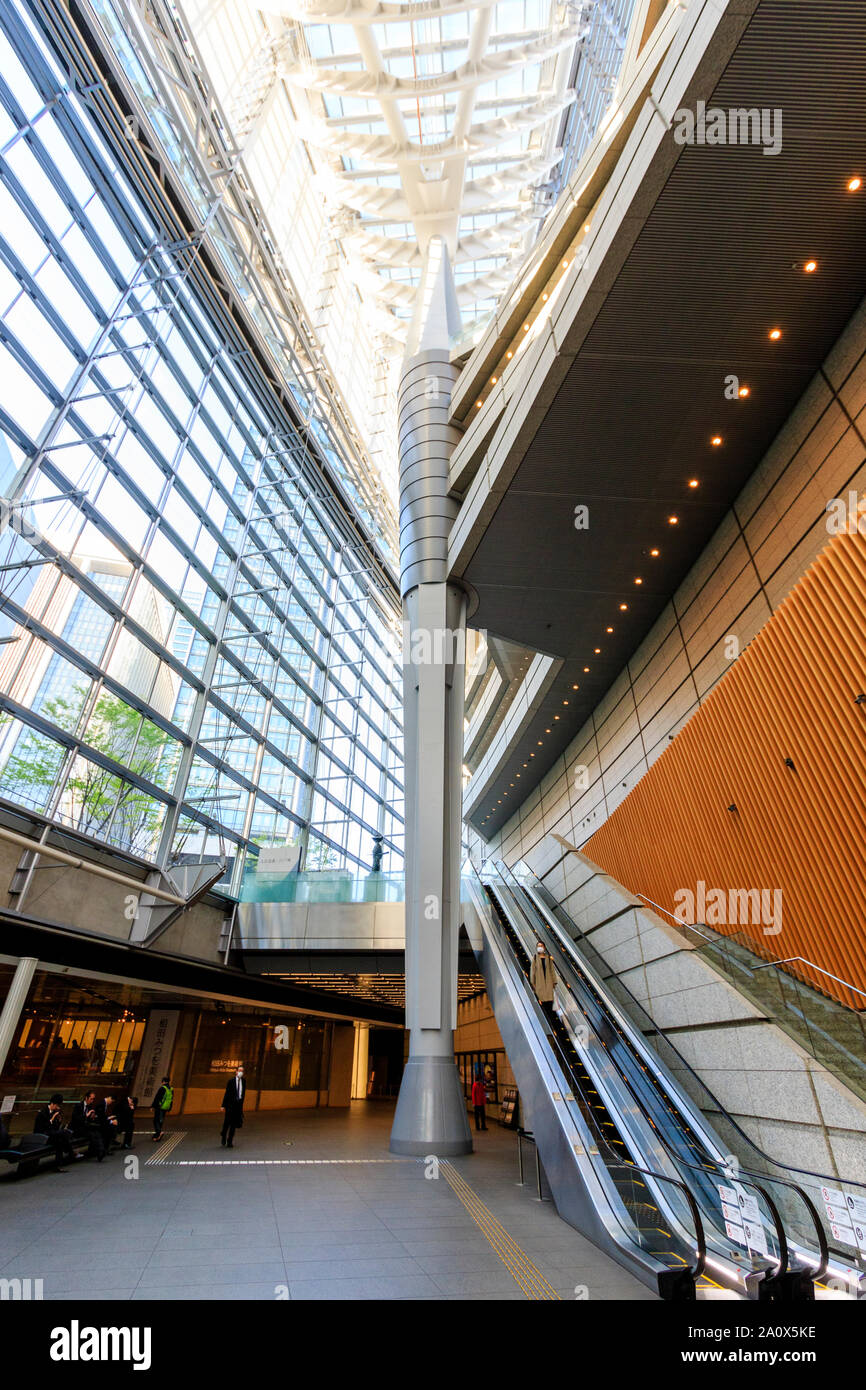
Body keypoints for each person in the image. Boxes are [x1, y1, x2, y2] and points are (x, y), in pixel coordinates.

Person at [33, 1093, 75, 1170]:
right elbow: (41, 1129)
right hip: (42, 1136)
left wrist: (58, 1121)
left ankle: (58, 1165)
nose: (57, 1108)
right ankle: (71, 1153)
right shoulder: (42, 1113)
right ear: (52, 1103)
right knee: (63, 1134)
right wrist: (51, 1119)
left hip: (52, 1135)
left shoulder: (55, 1112)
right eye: (56, 1106)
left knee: (60, 1140)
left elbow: (55, 1128)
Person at [70, 1091, 106, 1160]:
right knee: (92, 1134)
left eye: (93, 1099)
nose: (92, 1101)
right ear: (86, 1098)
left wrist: (92, 1117)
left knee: (97, 1132)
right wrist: (86, 1115)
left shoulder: (90, 1106)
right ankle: (99, 1151)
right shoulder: (78, 1106)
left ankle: (101, 1151)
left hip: (86, 1127)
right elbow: (75, 1119)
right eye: (91, 1099)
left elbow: (89, 1120)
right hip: (77, 1128)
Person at [530, 940, 558, 1027]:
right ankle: (548, 1024)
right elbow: (532, 972)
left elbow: (552, 971)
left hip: (549, 985)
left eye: (541, 945)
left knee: (550, 1004)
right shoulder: (535, 958)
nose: (540, 947)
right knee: (543, 1005)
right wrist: (533, 984)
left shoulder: (548, 958)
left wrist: (554, 982)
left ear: (544, 947)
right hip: (539, 985)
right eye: (538, 945)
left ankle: (553, 1024)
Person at [220, 1065, 245, 1148]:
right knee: (227, 1122)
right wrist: (223, 1105)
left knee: (233, 1124)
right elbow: (226, 1094)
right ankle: (223, 1135)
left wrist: (241, 1107)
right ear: (236, 1071)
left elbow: (242, 1094)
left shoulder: (244, 1081)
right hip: (230, 1106)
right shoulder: (231, 1081)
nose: (241, 1072)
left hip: (238, 1106)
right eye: (239, 1071)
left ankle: (229, 1141)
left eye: (242, 1071)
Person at [151, 1077, 173, 1142]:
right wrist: (170, 1108)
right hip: (166, 1107)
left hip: (160, 1106)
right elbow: (171, 1099)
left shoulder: (162, 1088)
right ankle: (157, 1135)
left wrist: (153, 1106)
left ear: (163, 1081)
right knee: (160, 1120)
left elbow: (157, 1098)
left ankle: (159, 1132)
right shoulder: (171, 1089)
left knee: (156, 1120)